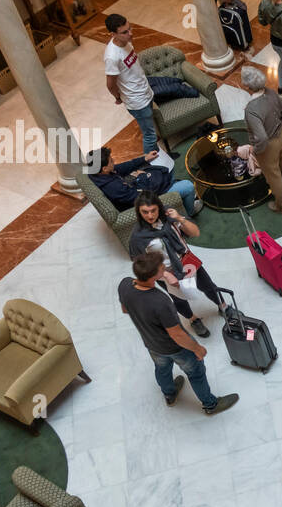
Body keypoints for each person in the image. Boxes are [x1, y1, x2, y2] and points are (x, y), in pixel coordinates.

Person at [120, 251, 238, 416]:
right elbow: (177, 335)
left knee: (162, 369)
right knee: (196, 373)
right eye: (162, 268)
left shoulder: (124, 285)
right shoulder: (161, 302)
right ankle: (210, 404)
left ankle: (169, 394)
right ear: (154, 276)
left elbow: (125, 309)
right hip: (176, 348)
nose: (165, 269)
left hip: (151, 344)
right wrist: (197, 348)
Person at [128, 191, 229, 337]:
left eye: (153, 210)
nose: (150, 216)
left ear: (159, 207)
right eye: (145, 212)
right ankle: (193, 320)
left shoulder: (169, 216)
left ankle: (223, 306)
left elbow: (195, 233)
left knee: (208, 285)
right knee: (179, 299)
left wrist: (180, 218)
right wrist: (165, 275)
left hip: (186, 260)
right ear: (138, 212)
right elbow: (141, 265)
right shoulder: (137, 237)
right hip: (165, 272)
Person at [237, 64, 282, 212]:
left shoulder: (251, 110)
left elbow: (262, 138)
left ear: (247, 86)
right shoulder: (271, 92)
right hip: (281, 135)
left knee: (273, 176)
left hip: (268, 146)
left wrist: (255, 150)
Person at [88, 146, 202, 217]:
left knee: (166, 174)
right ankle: (190, 211)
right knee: (188, 186)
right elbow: (139, 198)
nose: (114, 162)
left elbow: (123, 167)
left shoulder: (98, 173)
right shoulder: (113, 187)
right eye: (111, 161)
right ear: (104, 168)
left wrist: (144, 159)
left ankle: (177, 192)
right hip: (144, 202)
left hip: (136, 190)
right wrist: (141, 178)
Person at [103, 14, 158, 156]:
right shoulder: (112, 56)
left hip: (145, 91)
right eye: (125, 32)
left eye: (130, 29)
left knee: (151, 130)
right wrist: (118, 97)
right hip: (137, 101)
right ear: (113, 34)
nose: (130, 34)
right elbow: (110, 84)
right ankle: (153, 168)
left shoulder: (125, 42)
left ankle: (158, 157)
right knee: (150, 136)